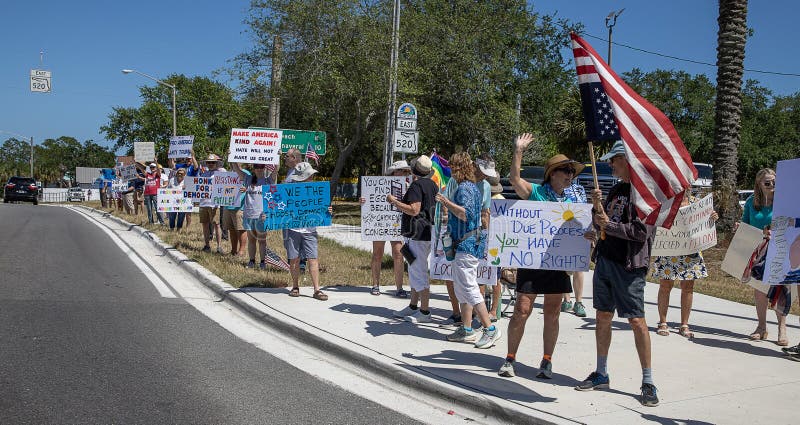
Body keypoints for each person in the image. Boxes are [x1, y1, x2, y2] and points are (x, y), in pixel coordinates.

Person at [575, 140, 659, 408]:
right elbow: (603, 222)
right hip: (605, 261)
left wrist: (607, 226)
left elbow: (639, 233)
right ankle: (601, 373)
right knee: (602, 316)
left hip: (629, 266)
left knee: (637, 321)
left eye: (614, 160)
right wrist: (596, 211)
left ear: (628, 160)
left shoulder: (646, 194)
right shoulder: (616, 190)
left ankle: (648, 381)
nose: (610, 164)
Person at [498, 133, 585, 380]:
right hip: (533, 261)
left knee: (553, 312)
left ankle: (547, 361)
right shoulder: (537, 193)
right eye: (564, 170)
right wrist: (518, 150)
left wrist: (588, 235)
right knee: (521, 309)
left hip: (557, 264)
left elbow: (583, 229)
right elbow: (514, 179)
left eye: (571, 170)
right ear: (552, 174)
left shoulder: (575, 198)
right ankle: (510, 358)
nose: (570, 174)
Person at [436, 152, 502, 349]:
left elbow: (467, 214)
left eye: (453, 168)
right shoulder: (473, 187)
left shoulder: (465, 188)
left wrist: (446, 202)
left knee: (470, 288)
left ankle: (489, 329)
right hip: (468, 243)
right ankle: (466, 329)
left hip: (466, 244)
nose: (451, 171)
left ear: (459, 168)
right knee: (462, 287)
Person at [651, 195, 718, 339]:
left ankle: (684, 324)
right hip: (668, 248)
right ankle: (663, 322)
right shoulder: (665, 202)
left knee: (688, 288)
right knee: (665, 286)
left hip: (689, 251)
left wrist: (712, 217)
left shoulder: (697, 204)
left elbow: (704, 225)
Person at [739, 168, 788, 345]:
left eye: (774, 182)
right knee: (760, 291)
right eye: (767, 183)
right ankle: (761, 327)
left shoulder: (784, 202)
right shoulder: (752, 202)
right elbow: (746, 224)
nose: (772, 185)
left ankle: (782, 329)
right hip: (758, 251)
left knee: (779, 290)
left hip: (779, 251)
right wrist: (740, 228)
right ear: (759, 184)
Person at [389, 155, 438, 323]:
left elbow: (414, 209)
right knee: (415, 270)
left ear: (414, 170)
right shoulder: (433, 185)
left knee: (419, 272)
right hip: (425, 232)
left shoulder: (416, 185)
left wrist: (395, 202)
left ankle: (424, 312)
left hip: (417, 234)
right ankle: (413, 305)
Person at [360, 160, 411, 297]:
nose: (404, 173)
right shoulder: (377, 184)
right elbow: (369, 200)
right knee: (377, 254)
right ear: (393, 172)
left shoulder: (407, 186)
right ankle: (375, 285)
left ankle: (399, 288)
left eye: (405, 171)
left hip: (396, 224)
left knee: (398, 254)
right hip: (379, 224)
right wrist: (363, 202)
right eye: (401, 170)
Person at [284, 162, 332, 300]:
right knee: (294, 259)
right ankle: (295, 286)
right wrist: (268, 215)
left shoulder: (316, 191)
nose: (311, 178)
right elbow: (277, 209)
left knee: (313, 259)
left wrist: (328, 211)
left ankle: (317, 289)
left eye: (311, 175)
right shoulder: (288, 190)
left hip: (310, 230)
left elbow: (323, 209)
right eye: (309, 175)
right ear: (301, 177)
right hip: (292, 229)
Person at [232, 162, 275, 269]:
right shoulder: (248, 179)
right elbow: (237, 169)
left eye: (261, 166)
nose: (259, 169)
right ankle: (251, 261)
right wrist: (232, 156)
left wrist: (277, 157)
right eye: (256, 166)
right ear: (254, 168)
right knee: (251, 240)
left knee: (262, 240)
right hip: (248, 215)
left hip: (262, 216)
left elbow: (276, 170)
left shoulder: (268, 180)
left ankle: (262, 262)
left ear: (264, 167)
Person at [561, 182, 589, 318]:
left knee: (579, 266)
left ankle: (579, 302)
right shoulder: (554, 188)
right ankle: (566, 299)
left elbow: (585, 209)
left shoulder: (579, 188)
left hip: (579, 229)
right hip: (560, 230)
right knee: (563, 265)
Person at [198, 153, 227, 253]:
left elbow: (228, 179)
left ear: (217, 163)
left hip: (214, 203)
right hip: (203, 203)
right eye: (208, 162)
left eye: (213, 162)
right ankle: (207, 245)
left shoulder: (221, 172)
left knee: (216, 224)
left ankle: (219, 247)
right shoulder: (204, 173)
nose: (210, 164)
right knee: (205, 224)